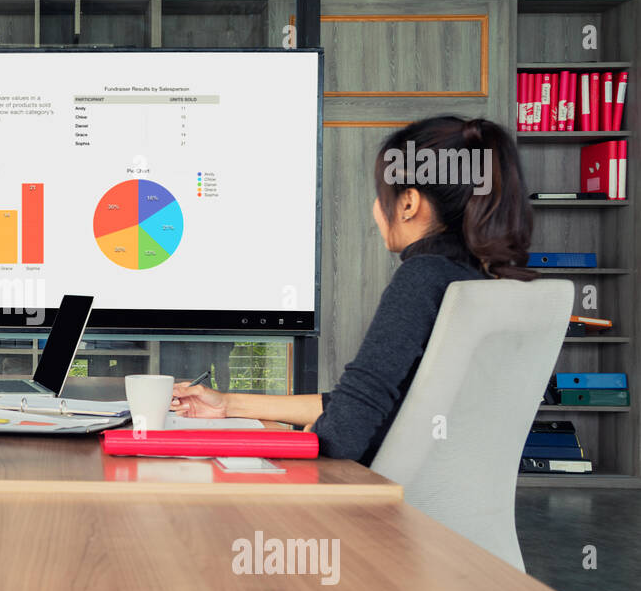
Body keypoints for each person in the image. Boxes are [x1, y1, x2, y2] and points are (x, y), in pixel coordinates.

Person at [171, 115, 537, 464]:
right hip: (432, 506)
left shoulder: (424, 277)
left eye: (382, 195)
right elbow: (364, 401)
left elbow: (343, 432)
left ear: (408, 202)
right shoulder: (477, 280)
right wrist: (229, 406)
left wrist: (293, 433)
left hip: (378, 509)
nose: (378, 209)